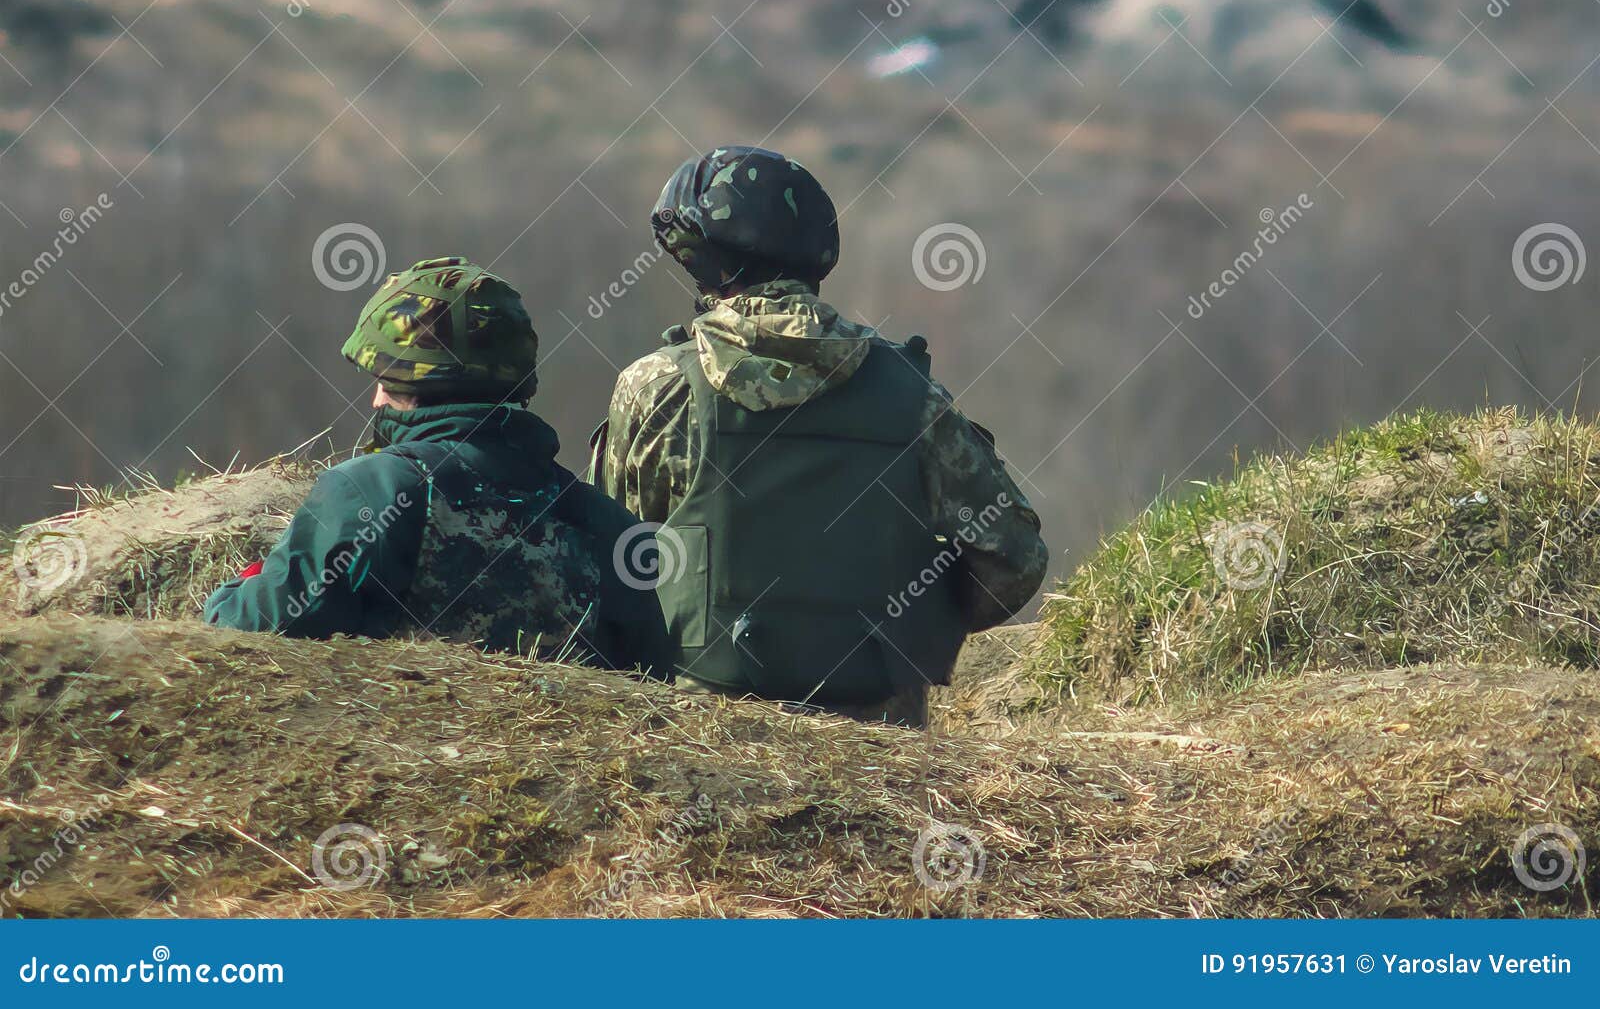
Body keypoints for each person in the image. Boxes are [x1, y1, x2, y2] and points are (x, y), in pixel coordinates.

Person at [591, 146, 1047, 725]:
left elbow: (609, 561)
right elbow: (1013, 558)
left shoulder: (657, 387)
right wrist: (907, 621)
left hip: (699, 736)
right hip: (881, 748)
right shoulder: (912, 399)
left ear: (707, 262)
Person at [206, 256, 674, 680]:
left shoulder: (373, 490)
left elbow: (253, 629)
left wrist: (240, 587)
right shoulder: (605, 522)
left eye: (385, 383)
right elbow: (650, 687)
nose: (375, 400)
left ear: (421, 386)